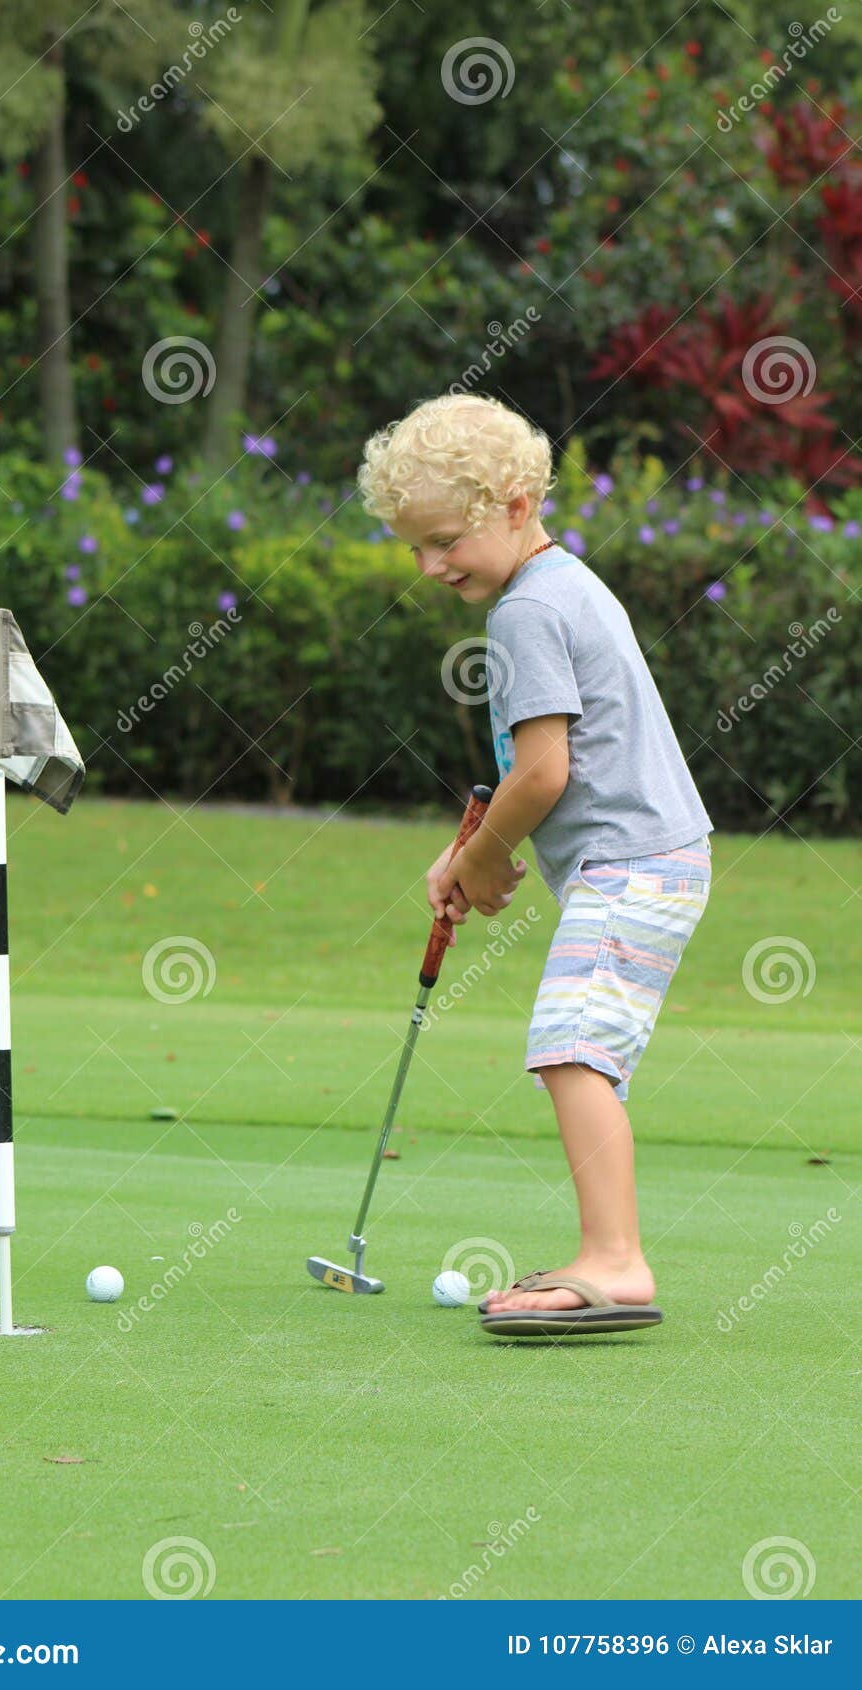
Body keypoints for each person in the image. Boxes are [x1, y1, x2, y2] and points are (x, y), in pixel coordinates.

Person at [356, 394, 713, 1337]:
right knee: (576, 1045)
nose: (430, 566)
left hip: (632, 861)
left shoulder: (523, 615)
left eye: (443, 540)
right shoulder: (561, 586)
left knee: (570, 1045)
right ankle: (609, 1252)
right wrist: (471, 847)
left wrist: (484, 855)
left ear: (514, 504)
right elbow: (541, 767)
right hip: (648, 856)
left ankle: (615, 1263)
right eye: (414, 549)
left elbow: (545, 775)